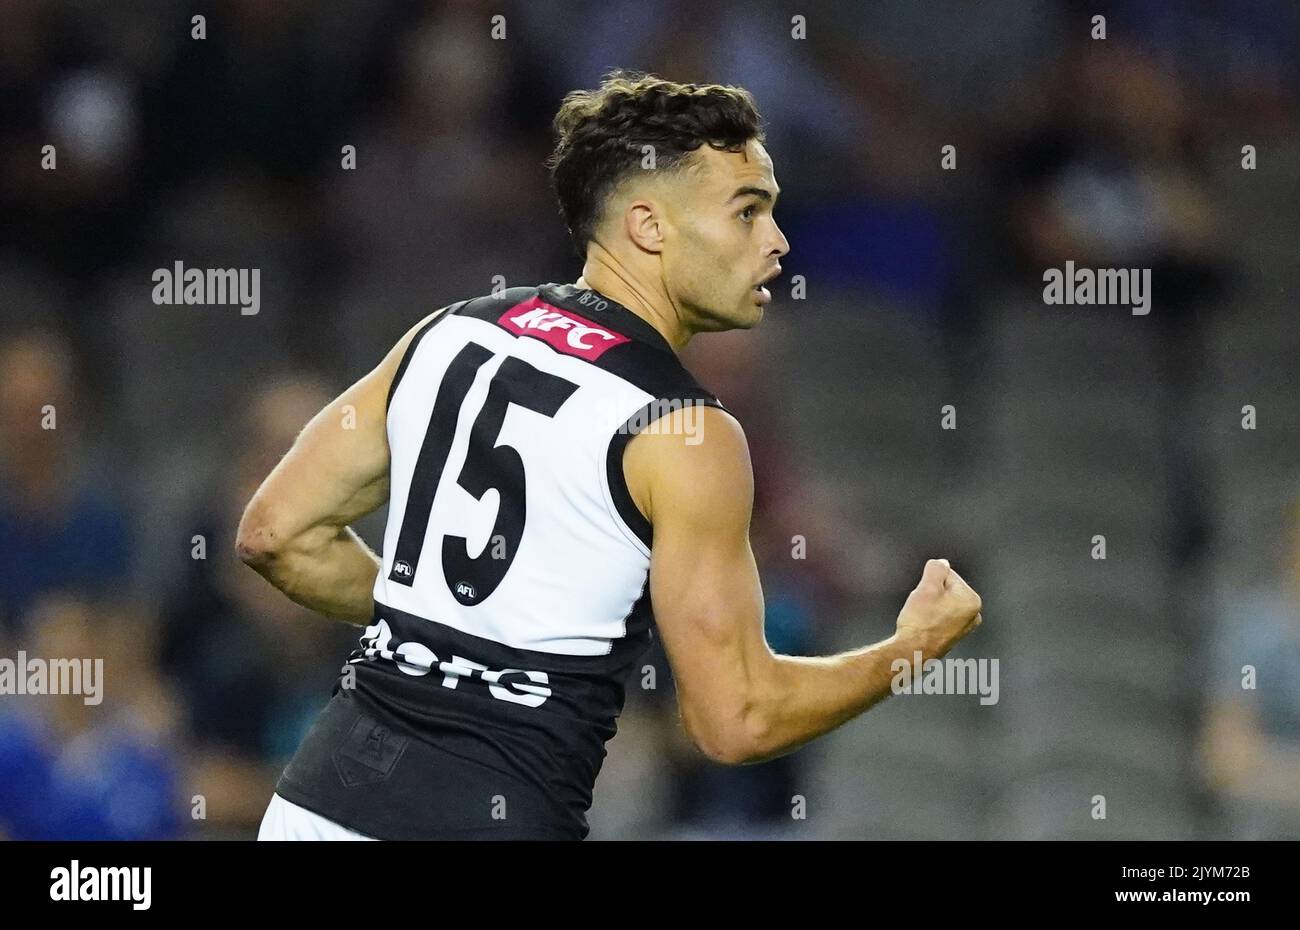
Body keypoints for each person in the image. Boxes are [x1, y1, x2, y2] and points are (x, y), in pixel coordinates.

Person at [237, 71, 983, 841]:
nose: (778, 241)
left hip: (313, 807)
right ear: (649, 225)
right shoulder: (684, 431)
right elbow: (737, 718)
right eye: (748, 211)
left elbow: (274, 532)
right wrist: (912, 649)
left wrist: (437, 623)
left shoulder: (451, 331)